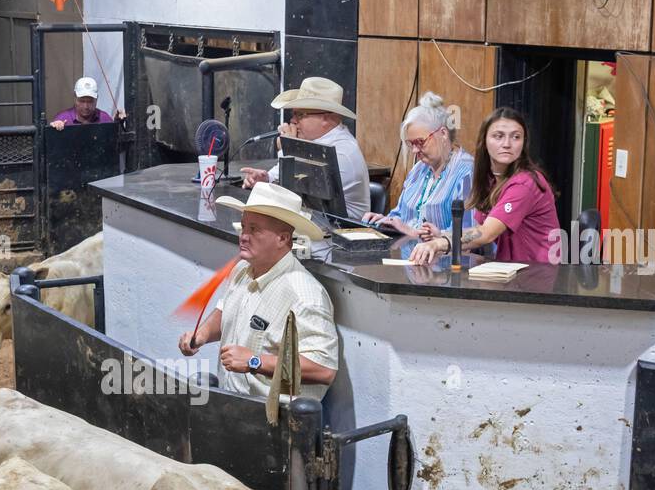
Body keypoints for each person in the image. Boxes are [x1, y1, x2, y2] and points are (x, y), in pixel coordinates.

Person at [178, 181, 338, 401]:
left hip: (275, 420)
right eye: (244, 227)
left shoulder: (305, 296)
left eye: (254, 230)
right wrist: (203, 334)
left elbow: (324, 369)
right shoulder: (242, 269)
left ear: (282, 238)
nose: (244, 236)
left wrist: (255, 361)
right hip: (234, 403)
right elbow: (227, 310)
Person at [411, 107, 559, 265]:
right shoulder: (490, 178)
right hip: (509, 272)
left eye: (516, 137)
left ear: (523, 143)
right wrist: (443, 235)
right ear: (485, 141)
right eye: (498, 136)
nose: (507, 144)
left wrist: (440, 242)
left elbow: (486, 233)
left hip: (538, 277)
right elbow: (478, 229)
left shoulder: (525, 183)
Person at [363, 91, 475, 266]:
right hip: (413, 262)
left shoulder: (466, 172)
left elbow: (470, 235)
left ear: (443, 134)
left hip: (447, 270)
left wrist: (415, 232)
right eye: (410, 144)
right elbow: (400, 213)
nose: (414, 151)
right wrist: (386, 221)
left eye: (420, 142)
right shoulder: (419, 170)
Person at [239, 76, 371, 221]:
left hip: (339, 237)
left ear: (326, 118)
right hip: (316, 229)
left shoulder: (342, 152)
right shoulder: (316, 141)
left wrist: (289, 149)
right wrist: (266, 178)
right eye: (293, 114)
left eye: (300, 114)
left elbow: (291, 197)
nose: (293, 120)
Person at [50, 76, 126, 129]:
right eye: (82, 101)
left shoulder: (104, 118)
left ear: (96, 100)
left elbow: (117, 146)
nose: (86, 106)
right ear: (75, 98)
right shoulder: (63, 119)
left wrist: (118, 125)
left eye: (90, 101)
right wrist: (55, 129)